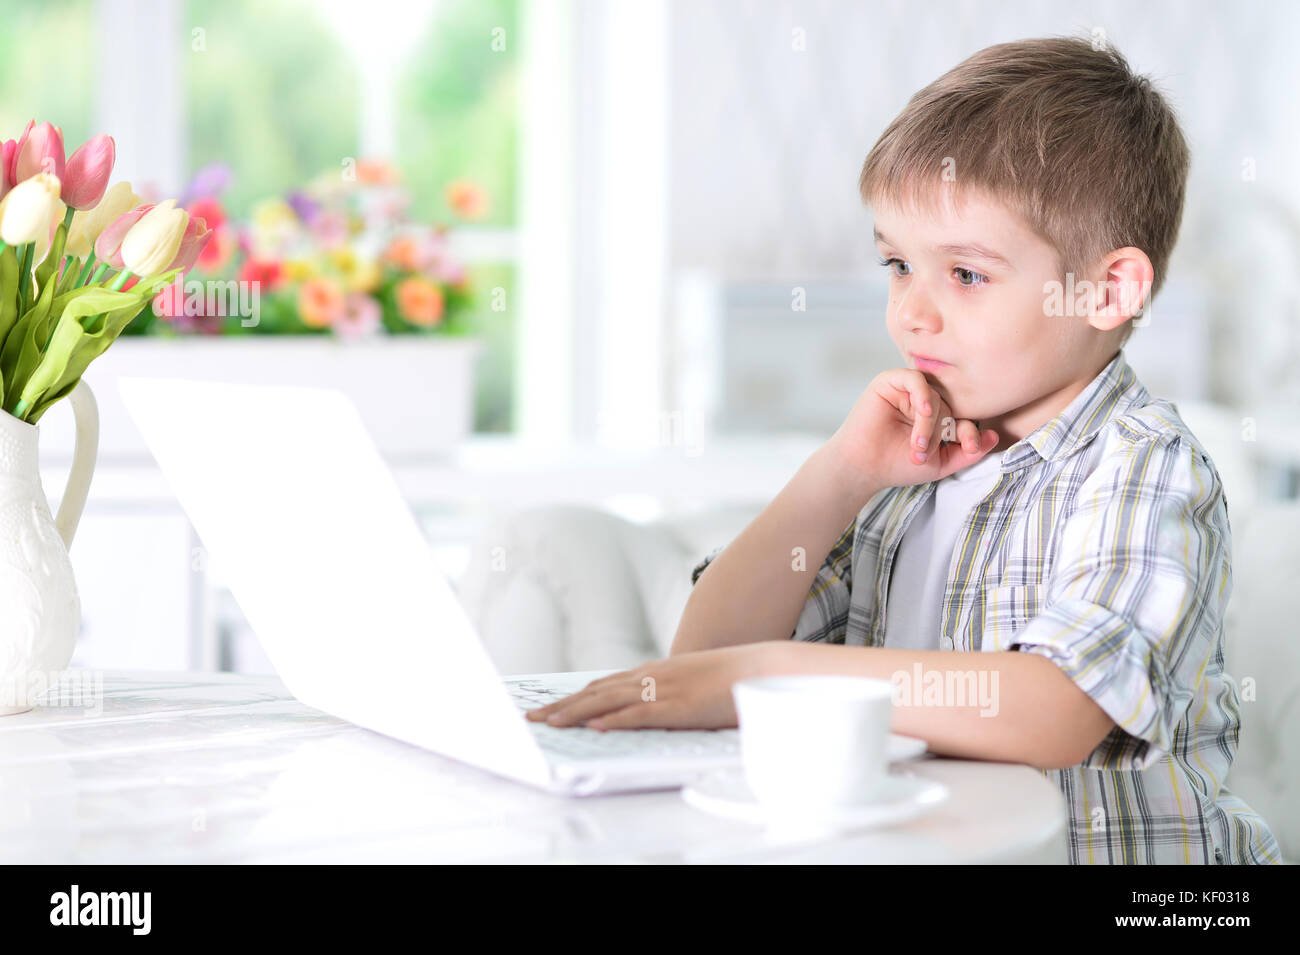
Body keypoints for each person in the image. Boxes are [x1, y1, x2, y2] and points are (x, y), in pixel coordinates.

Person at [526, 34, 1282, 865]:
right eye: (896, 264)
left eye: (965, 275)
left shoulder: (1145, 465)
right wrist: (838, 476)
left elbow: (1061, 707)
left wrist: (778, 674)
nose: (911, 314)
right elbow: (705, 658)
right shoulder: (907, 468)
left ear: (1108, 290)